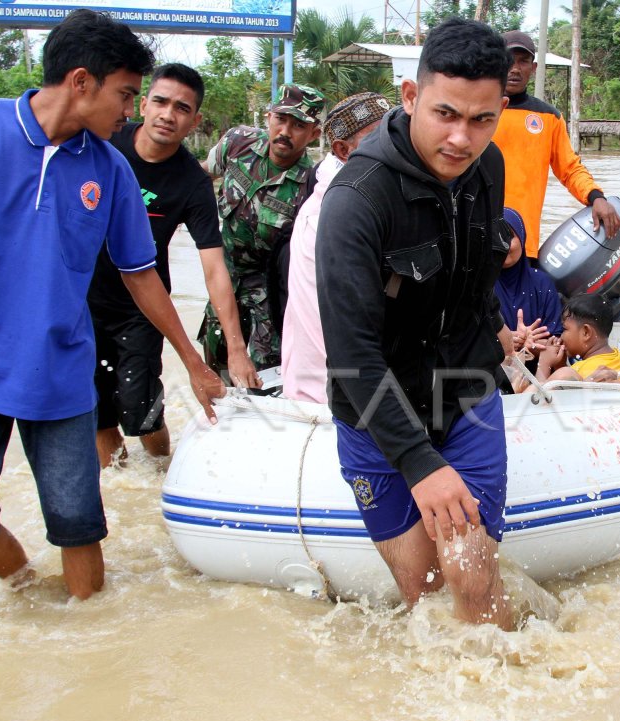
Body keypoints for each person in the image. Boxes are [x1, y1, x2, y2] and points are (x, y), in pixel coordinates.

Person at [0, 10, 224, 600]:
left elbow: (141, 273)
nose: (131, 112)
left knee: (77, 525)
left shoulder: (111, 171)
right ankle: (25, 588)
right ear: (81, 82)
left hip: (60, 375)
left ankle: (85, 636)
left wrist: (193, 362)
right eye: (126, 95)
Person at [316, 18, 514, 629]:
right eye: (446, 114)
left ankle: (512, 702)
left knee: (473, 579)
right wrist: (419, 463)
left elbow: (479, 282)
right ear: (410, 96)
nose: (462, 138)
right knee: (424, 594)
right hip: (375, 413)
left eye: (482, 119)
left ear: (500, 109)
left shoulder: (490, 167)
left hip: (467, 397)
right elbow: (351, 356)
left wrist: (508, 348)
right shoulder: (357, 201)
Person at [89, 63, 259, 468]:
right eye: (161, 102)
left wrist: (236, 348)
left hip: (143, 309)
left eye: (182, 108)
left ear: (195, 121)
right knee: (96, 410)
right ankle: (118, 488)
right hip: (81, 300)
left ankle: (160, 479)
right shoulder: (104, 146)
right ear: (143, 104)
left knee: (143, 411)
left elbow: (214, 268)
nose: (169, 114)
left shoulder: (192, 182)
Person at [200, 83, 325, 374]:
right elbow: (201, 175)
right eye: (281, 119)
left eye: (298, 125)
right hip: (223, 279)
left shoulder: (312, 185)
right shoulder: (237, 144)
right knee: (215, 370)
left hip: (269, 296)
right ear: (269, 117)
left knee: (266, 381)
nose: (285, 132)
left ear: (314, 134)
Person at [280, 91, 389, 404]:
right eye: (378, 137)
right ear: (343, 149)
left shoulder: (338, 191)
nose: (394, 144)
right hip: (332, 389)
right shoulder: (340, 210)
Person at [492, 30, 620, 263]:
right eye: (509, 59)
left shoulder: (548, 117)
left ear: (534, 68)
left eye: (523, 61)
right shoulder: (477, 109)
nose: (515, 68)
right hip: (476, 239)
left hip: (523, 244)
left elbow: (570, 169)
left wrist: (597, 197)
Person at [519, 294, 620, 390]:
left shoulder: (584, 371)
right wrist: (560, 364)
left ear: (586, 333)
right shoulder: (618, 359)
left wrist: (544, 363)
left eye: (564, 329)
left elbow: (538, 401)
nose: (561, 336)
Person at [496, 206, 560, 363]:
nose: (503, 245)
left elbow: (558, 345)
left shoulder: (542, 283)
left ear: (522, 237)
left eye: (508, 236)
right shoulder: (477, 285)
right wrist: (504, 339)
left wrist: (532, 345)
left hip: (537, 376)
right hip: (490, 373)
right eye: (495, 238)